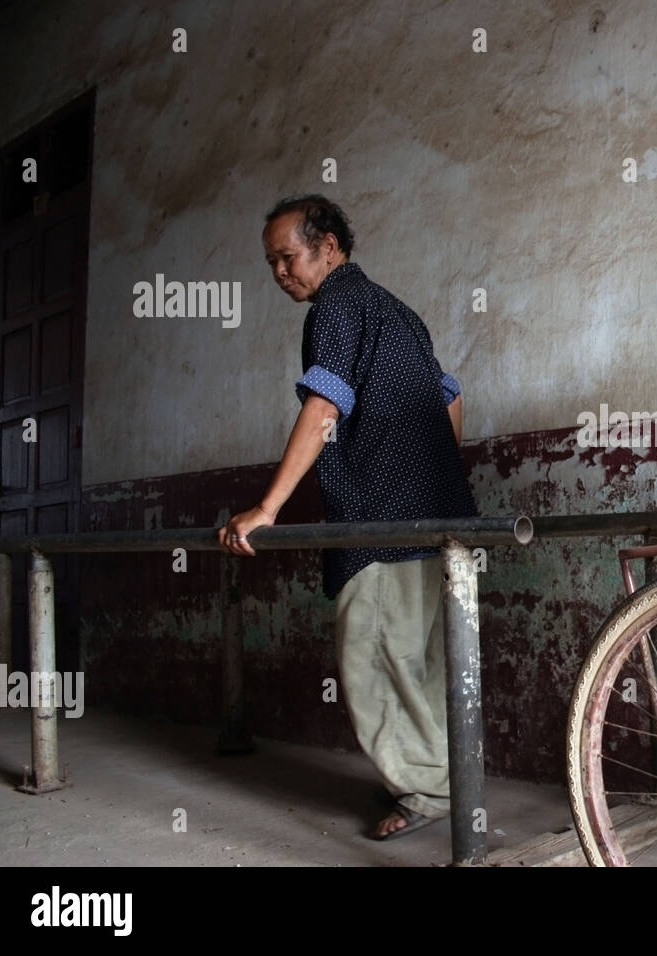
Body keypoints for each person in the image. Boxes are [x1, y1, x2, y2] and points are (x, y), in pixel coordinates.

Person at [218, 194, 477, 839]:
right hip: (443, 518)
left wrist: (267, 508)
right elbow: (450, 397)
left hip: (382, 520)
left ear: (329, 246)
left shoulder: (335, 305)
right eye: (271, 262)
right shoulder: (398, 311)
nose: (281, 272)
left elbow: (325, 401)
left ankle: (426, 792)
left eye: (289, 256)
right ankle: (451, 781)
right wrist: (443, 481)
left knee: (373, 657)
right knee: (428, 659)